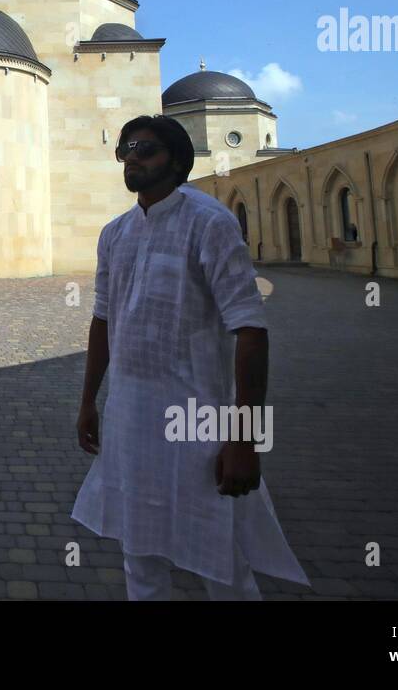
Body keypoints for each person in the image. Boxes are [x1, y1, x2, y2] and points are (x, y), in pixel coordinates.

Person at [72, 115, 309, 600]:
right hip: (131, 420)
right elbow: (103, 320)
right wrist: (88, 401)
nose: (131, 156)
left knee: (218, 557)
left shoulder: (209, 222)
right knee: (139, 553)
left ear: (177, 161)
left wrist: (244, 440)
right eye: (125, 148)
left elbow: (250, 327)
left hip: (197, 421)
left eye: (145, 148)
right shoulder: (115, 234)